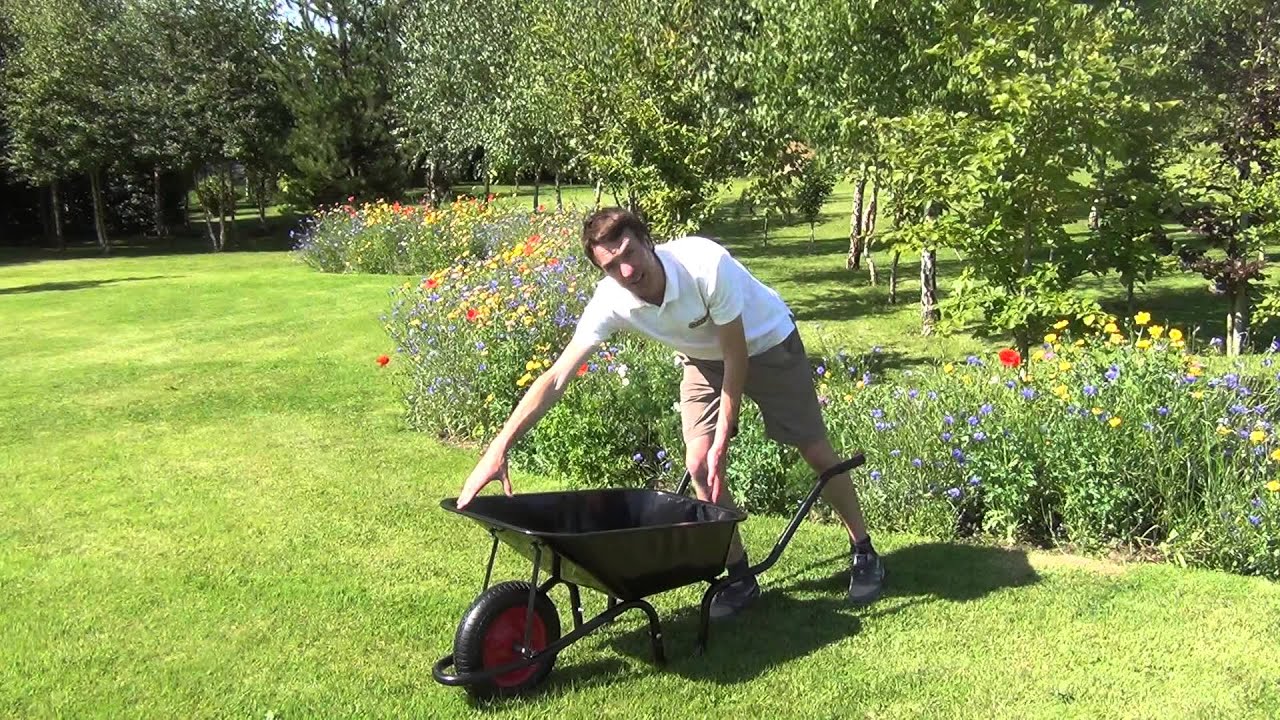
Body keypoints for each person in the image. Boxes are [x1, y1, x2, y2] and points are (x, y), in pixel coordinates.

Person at [456, 207, 886, 617]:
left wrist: (725, 434)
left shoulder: (704, 264)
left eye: (630, 254)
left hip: (766, 342)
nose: (626, 271)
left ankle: (863, 550)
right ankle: (739, 577)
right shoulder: (612, 300)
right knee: (698, 464)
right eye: (611, 266)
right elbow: (555, 377)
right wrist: (499, 447)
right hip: (701, 358)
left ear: (648, 241)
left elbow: (736, 354)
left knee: (814, 451)